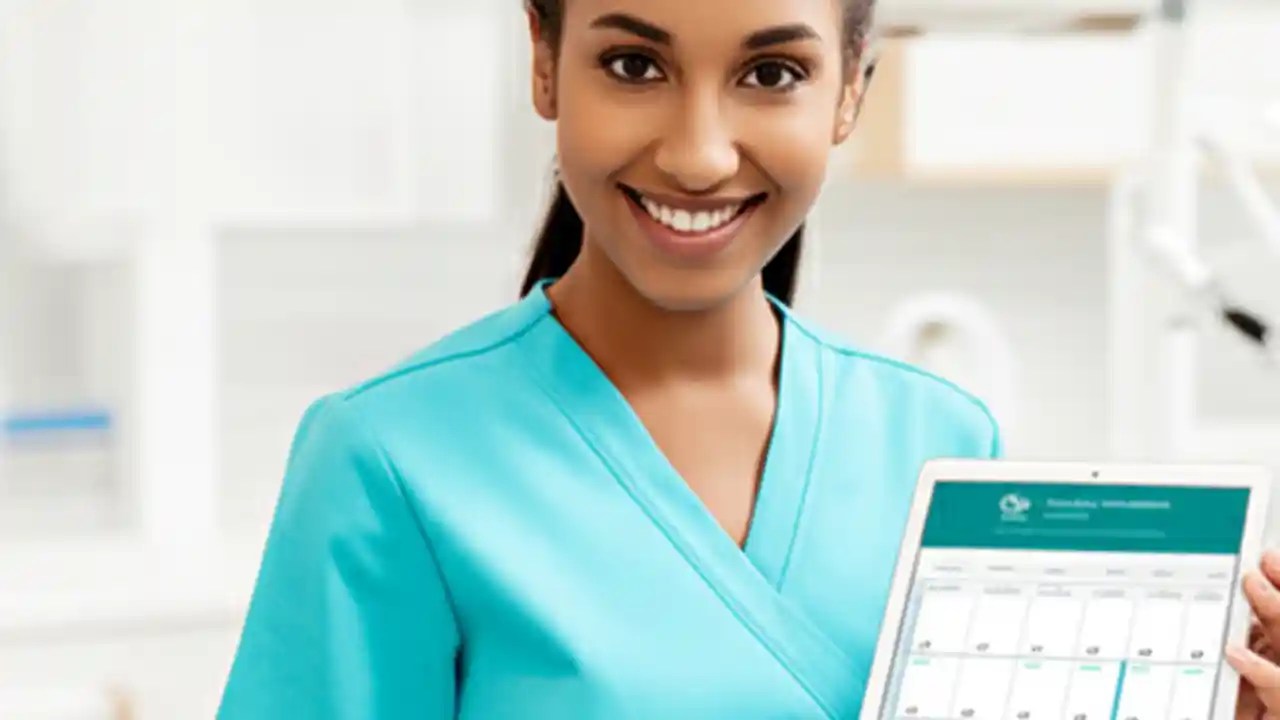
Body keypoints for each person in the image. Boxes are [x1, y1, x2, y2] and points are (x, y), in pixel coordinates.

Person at [217, 0, 1280, 717]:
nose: (698, 152)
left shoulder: (944, 440)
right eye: (634, 66)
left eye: (771, 74)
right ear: (543, 63)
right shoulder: (388, 459)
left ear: (850, 91)